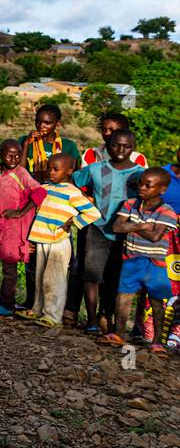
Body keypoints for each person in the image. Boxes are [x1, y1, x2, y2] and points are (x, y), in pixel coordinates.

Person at [71, 129, 141, 334]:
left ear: (133, 147)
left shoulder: (139, 174)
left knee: (114, 277)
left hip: (126, 234)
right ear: (107, 146)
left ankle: (106, 316)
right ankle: (91, 319)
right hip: (98, 229)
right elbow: (75, 181)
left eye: (126, 146)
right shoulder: (94, 169)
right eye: (115, 145)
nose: (120, 150)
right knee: (92, 276)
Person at [17, 154, 99, 327]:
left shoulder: (72, 192)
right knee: (40, 278)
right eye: (49, 168)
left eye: (56, 169)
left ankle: (53, 316)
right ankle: (37, 309)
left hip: (58, 242)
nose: (51, 172)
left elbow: (93, 213)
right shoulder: (45, 187)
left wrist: (73, 222)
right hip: (41, 239)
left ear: (69, 170)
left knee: (54, 279)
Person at [109, 168, 178, 352]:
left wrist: (130, 227)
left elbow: (155, 237)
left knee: (156, 302)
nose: (142, 187)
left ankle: (157, 342)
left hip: (155, 264)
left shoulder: (167, 211)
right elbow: (116, 227)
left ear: (162, 189)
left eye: (148, 185)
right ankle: (119, 333)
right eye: (141, 183)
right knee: (123, 297)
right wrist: (141, 225)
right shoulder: (130, 203)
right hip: (131, 259)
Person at [0, 139, 45, 316]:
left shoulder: (21, 173)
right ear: (0, 155)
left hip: (12, 231)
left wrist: (20, 212)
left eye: (17, 155)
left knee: (9, 269)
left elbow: (40, 193)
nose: (13, 159)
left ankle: (7, 303)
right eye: (9, 155)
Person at [19, 102, 79, 184]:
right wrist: (26, 143)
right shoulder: (24, 140)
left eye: (47, 123)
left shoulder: (68, 145)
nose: (41, 126)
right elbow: (18, 171)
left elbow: (75, 174)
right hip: (29, 187)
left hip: (58, 191)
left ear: (57, 123)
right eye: (38, 121)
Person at [81, 112, 147, 168]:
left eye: (112, 130)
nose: (106, 133)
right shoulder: (92, 154)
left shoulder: (137, 159)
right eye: (104, 130)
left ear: (124, 132)